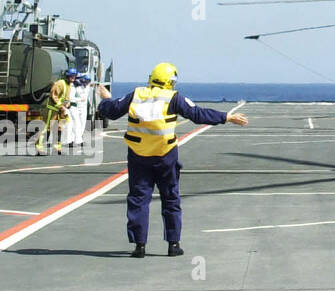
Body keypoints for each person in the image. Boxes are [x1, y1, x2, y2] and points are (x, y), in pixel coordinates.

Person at [96, 62, 249, 257]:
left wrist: (105, 99)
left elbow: (113, 110)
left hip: (138, 156)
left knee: (138, 199)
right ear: (171, 81)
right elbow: (197, 113)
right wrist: (226, 117)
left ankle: (139, 245)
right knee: (170, 198)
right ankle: (173, 244)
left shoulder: (137, 94)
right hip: (165, 156)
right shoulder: (173, 98)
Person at [34, 68, 74, 155]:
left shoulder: (69, 85)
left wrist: (67, 105)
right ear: (67, 76)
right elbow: (53, 96)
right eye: (71, 76)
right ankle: (39, 147)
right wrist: (61, 106)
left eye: (74, 76)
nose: (73, 78)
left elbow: (66, 98)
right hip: (52, 109)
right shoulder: (60, 83)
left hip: (59, 110)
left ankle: (56, 147)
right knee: (46, 127)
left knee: (59, 128)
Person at [63, 73, 92, 150]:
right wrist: (79, 100)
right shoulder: (75, 87)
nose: (87, 83)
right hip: (74, 106)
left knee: (81, 123)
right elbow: (71, 98)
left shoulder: (87, 87)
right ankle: (73, 140)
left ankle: (78, 139)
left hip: (83, 107)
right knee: (74, 124)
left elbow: (87, 95)